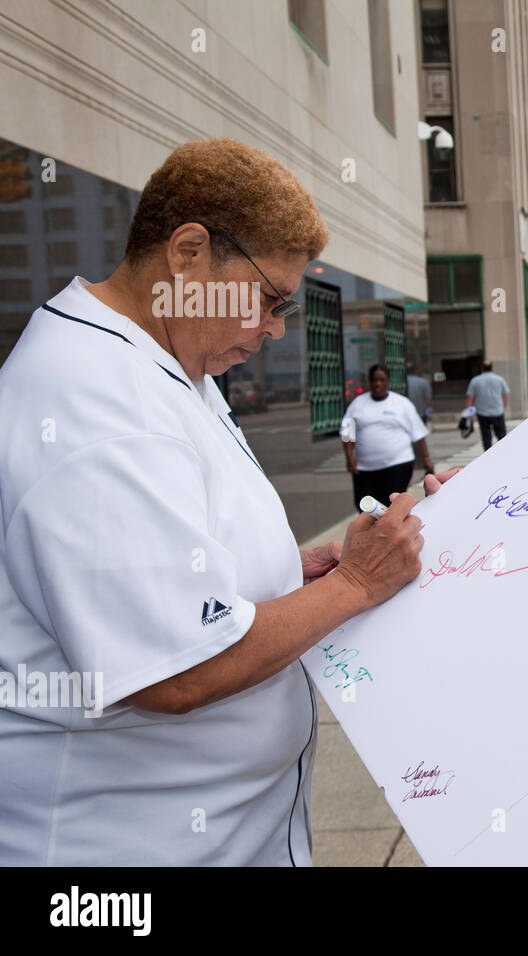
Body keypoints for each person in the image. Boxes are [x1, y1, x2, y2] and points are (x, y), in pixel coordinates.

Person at [0, 137, 460, 866]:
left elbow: (174, 578)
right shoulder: (94, 402)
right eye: (270, 299)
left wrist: (286, 579)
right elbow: (175, 670)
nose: (275, 328)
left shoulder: (169, 369)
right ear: (187, 255)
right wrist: (353, 585)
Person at [342, 364, 434, 511]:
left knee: (391, 506)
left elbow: (417, 434)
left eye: (382, 380)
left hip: (398, 465)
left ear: (388, 381)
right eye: (374, 380)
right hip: (366, 469)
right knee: (366, 508)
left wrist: (426, 459)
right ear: (369, 382)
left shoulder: (402, 403)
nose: (378, 384)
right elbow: (347, 434)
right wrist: (349, 459)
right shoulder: (357, 404)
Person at [465, 359, 510, 450]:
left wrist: (469, 414)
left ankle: (488, 459)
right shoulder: (499, 379)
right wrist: (503, 407)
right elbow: (506, 395)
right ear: (491, 368)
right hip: (498, 412)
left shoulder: (475, 381)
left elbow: (469, 398)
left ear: (482, 368)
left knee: (486, 439)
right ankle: (505, 455)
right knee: (502, 437)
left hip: (482, 413)